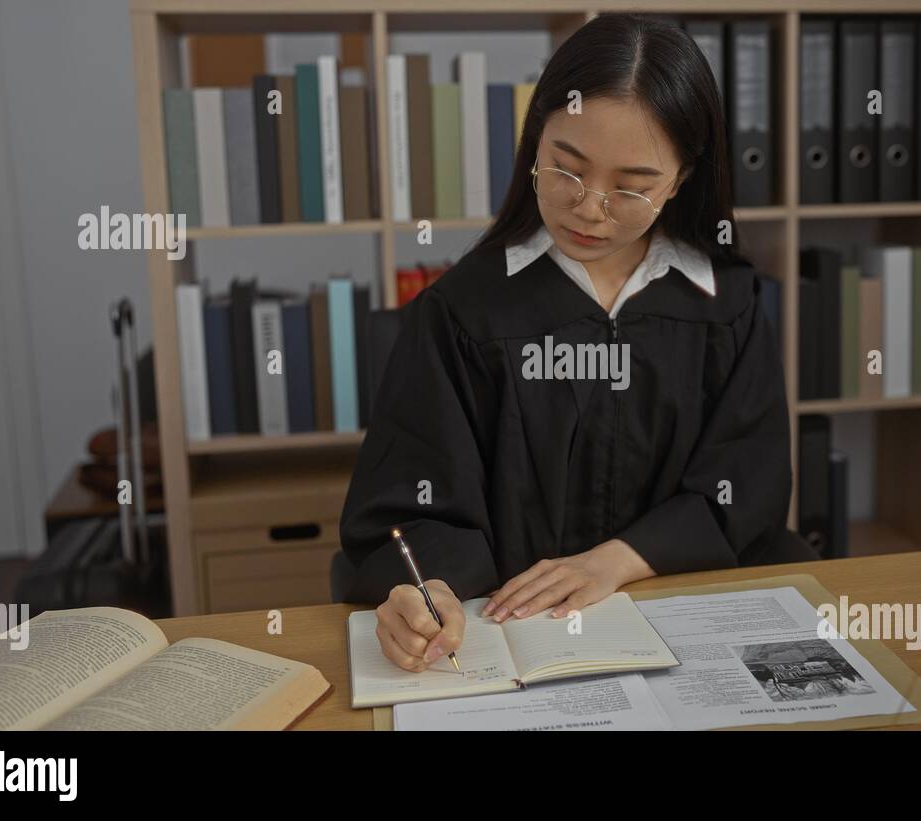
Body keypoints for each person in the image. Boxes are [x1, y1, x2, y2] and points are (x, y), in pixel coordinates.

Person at [337, 13, 817, 672]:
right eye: (566, 168)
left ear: (681, 177)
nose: (591, 207)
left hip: (682, 622)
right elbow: (411, 502)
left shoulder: (725, 307)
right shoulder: (462, 313)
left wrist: (616, 560)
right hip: (511, 637)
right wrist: (427, 590)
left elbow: (745, 485)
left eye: (632, 185)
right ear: (535, 141)